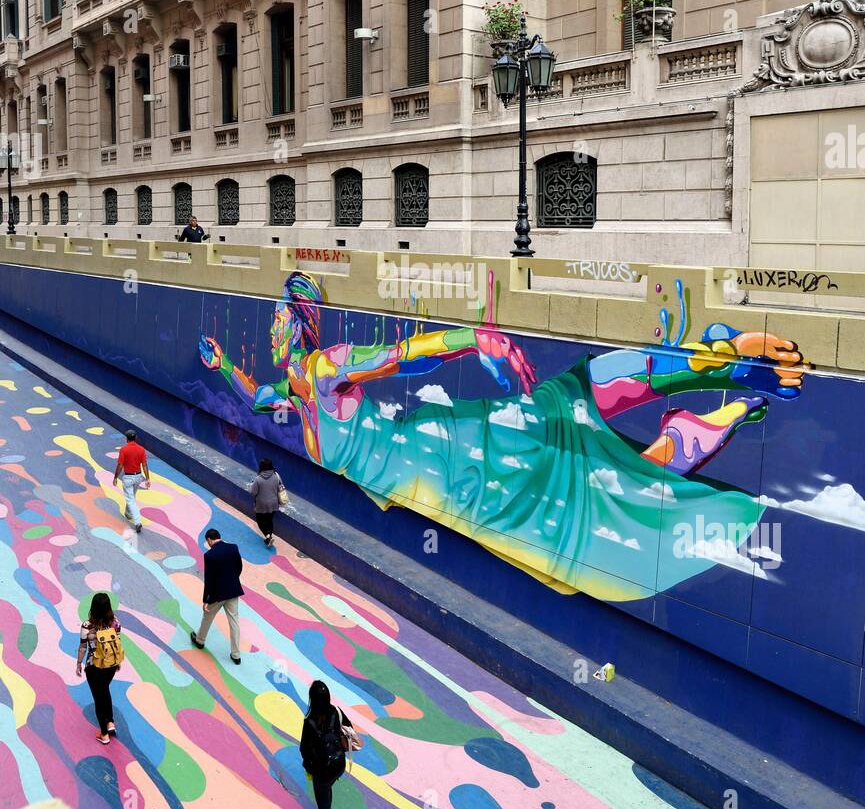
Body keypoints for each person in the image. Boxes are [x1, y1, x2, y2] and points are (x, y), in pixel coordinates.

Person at [200, 272, 807, 601]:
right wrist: (221, 362)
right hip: (459, 490)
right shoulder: (298, 389)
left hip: (451, 457)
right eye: (275, 316)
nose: (273, 325)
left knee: (562, 408)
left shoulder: (323, 368)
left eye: (281, 315)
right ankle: (723, 405)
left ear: (301, 323)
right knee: (600, 487)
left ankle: (718, 363)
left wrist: (472, 339)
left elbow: (397, 357)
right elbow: (256, 396)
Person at [300, 680, 356, 809]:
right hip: (338, 763)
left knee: (324, 805)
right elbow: (350, 731)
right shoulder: (336, 712)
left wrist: (309, 766)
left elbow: (304, 749)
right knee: (326, 792)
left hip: (321, 769)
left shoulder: (310, 722)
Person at [190, 528, 244, 665]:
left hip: (217, 594)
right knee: (234, 622)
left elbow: (209, 580)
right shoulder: (233, 548)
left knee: (207, 617)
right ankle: (236, 655)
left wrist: (206, 599)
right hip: (233, 590)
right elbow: (239, 567)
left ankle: (200, 640)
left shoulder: (210, 556)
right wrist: (232, 581)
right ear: (219, 537)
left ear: (209, 540)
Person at [76, 592, 123, 745]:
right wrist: (117, 661)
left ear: (93, 608)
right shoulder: (115, 622)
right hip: (111, 665)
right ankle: (110, 723)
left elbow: (83, 647)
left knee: (98, 698)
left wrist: (78, 663)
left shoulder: (87, 626)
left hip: (94, 666)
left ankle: (104, 734)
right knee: (105, 691)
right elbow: (118, 641)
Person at [112, 428, 150, 534]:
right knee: (132, 496)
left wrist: (115, 477)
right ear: (136, 438)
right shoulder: (141, 449)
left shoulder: (123, 450)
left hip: (128, 478)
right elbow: (145, 465)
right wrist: (147, 478)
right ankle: (128, 513)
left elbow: (120, 465)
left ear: (126, 439)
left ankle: (137, 522)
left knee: (131, 500)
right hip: (138, 477)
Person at [250, 457, 284, 546]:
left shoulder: (258, 479)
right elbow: (280, 487)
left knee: (260, 520)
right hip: (274, 503)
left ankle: (268, 537)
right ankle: (269, 536)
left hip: (261, 504)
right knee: (269, 520)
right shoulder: (276, 476)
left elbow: (253, 492)